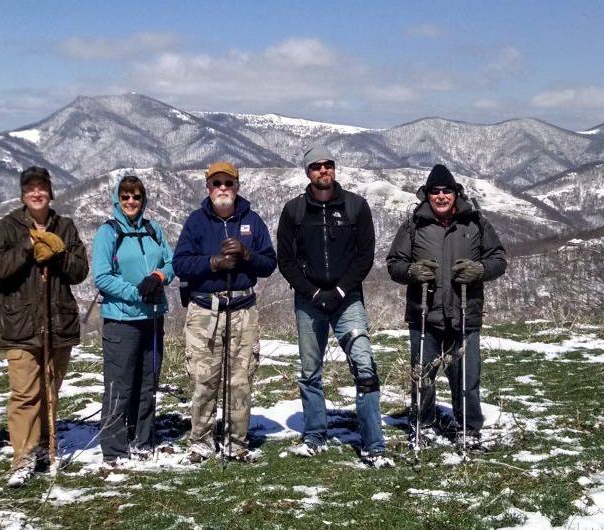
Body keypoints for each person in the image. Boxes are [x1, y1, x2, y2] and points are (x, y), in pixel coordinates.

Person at [276, 145, 392, 467]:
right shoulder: (294, 211)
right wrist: (313, 293)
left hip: (348, 299)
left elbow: (365, 255)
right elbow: (285, 261)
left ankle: (374, 443)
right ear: (307, 172)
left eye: (328, 164)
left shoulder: (356, 206)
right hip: (308, 300)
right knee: (310, 371)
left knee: (364, 365)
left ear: (335, 168)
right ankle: (315, 434)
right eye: (316, 166)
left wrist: (340, 289)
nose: (323, 170)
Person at [386, 164, 507, 450]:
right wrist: (412, 272)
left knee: (466, 376)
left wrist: (479, 270)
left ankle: (468, 428)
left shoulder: (475, 223)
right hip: (424, 313)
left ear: (456, 193)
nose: (441, 196)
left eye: (446, 191)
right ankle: (422, 425)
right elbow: (394, 264)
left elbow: (498, 259)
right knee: (423, 376)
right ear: (426, 195)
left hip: (465, 312)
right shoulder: (414, 225)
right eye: (435, 192)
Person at [0, 166, 89, 486]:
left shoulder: (65, 226)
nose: (36, 193)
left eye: (41, 188)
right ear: (22, 194)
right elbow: (1, 268)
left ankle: (46, 445)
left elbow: (79, 271)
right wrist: (29, 248)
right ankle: (23, 455)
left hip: (57, 321)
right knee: (24, 393)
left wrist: (57, 253)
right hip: (20, 323)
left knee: (50, 390)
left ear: (50, 191)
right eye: (30, 188)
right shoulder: (6, 227)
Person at [173, 161, 277, 463]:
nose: (222, 189)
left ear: (237, 187)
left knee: (240, 380)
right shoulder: (196, 222)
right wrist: (213, 263)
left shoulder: (252, 221)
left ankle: (236, 442)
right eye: (216, 183)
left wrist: (246, 255)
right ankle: (201, 441)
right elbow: (180, 264)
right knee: (205, 379)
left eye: (228, 183)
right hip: (205, 310)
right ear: (208, 187)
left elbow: (269, 264)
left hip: (243, 310)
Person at [92, 175, 175, 465]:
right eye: (126, 196)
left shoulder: (154, 229)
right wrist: (137, 293)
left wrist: (159, 276)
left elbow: (172, 261)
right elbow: (101, 276)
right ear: (118, 199)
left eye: (136, 196)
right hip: (121, 320)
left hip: (152, 317)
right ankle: (114, 449)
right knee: (120, 384)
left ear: (143, 200)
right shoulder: (108, 232)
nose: (131, 201)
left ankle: (143, 440)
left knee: (148, 382)